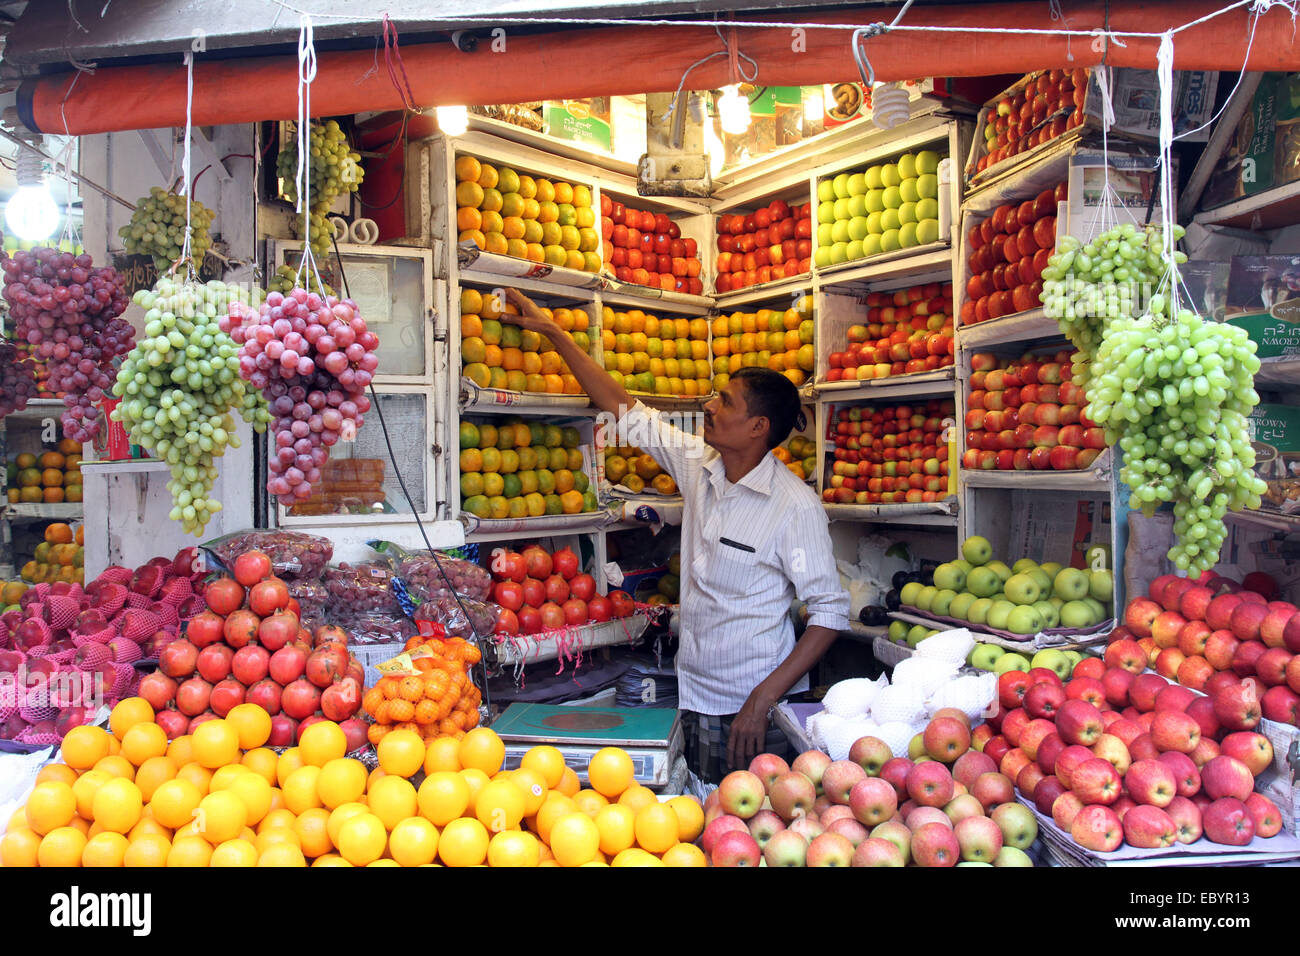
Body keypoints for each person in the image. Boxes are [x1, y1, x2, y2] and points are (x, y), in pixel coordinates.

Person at [500, 288, 849, 784]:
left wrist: (763, 698)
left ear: (757, 427)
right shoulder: (698, 465)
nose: (709, 405)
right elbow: (624, 408)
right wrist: (555, 332)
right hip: (696, 695)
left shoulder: (794, 507)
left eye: (724, 401)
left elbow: (830, 614)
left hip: (755, 708)